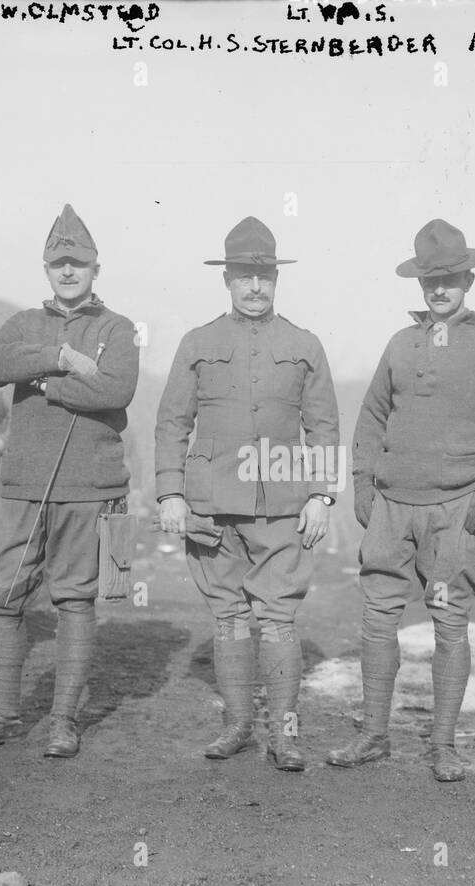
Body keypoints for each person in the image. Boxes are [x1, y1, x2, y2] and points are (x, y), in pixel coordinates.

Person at [325, 219, 475, 782]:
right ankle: (375, 736)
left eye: (449, 279)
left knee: (448, 622)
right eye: (430, 281)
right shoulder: (400, 344)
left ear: (469, 279)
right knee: (378, 618)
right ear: (419, 284)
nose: (440, 290)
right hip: (391, 509)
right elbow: (372, 416)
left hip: (457, 512)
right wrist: (363, 483)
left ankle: (444, 747)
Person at [0, 205, 138, 758]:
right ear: (46, 267)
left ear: (96, 268)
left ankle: (62, 722)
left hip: (89, 486)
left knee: (75, 600)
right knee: (2, 595)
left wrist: (46, 385)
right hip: (25, 485)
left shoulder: (118, 328)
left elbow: (115, 392)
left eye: (78, 262)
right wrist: (58, 357)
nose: (69, 271)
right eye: (59, 262)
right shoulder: (25, 323)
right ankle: (2, 715)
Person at [155, 216, 339, 772]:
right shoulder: (198, 342)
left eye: (263, 276)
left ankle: (283, 736)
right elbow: (171, 423)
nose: (254, 287)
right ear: (227, 279)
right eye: (243, 276)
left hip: (283, 504)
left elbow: (324, 428)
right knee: (229, 616)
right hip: (211, 505)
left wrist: (321, 496)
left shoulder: (304, 345)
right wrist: (170, 493)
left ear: (276, 280)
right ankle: (236, 725)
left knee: (278, 619)